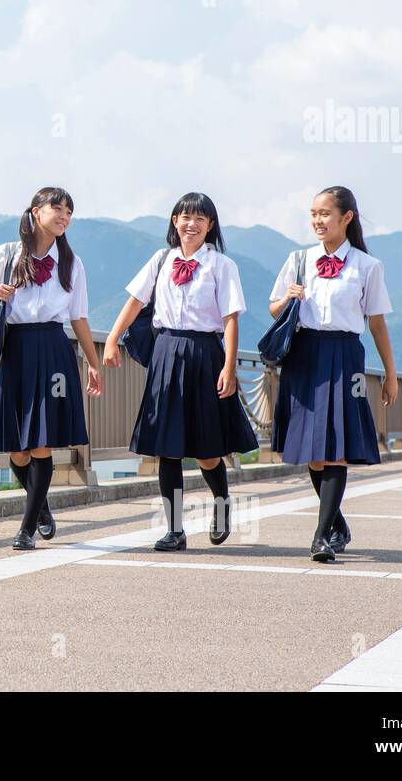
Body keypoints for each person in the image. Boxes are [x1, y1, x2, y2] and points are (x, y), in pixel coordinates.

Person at [104, 192, 257, 551]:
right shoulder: (160, 260)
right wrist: (111, 339)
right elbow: (135, 301)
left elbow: (230, 318)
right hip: (166, 352)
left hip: (205, 354)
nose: (192, 224)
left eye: (200, 219)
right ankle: (174, 529)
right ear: (174, 221)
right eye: (185, 217)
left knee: (207, 449)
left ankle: (221, 506)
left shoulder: (222, 265)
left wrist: (229, 367)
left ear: (211, 226)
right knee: (167, 447)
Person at [269, 185, 398, 561]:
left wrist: (391, 373)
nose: (317, 221)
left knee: (336, 448)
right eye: (313, 214)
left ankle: (321, 535)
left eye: (324, 213)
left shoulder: (367, 266)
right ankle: (337, 523)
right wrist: (289, 298)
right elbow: (274, 309)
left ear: (346, 218)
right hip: (304, 355)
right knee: (314, 452)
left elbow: (377, 324)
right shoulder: (297, 259)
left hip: (345, 356)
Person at [0, 186, 103, 550]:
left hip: (54, 351)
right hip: (17, 347)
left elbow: (78, 318)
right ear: (36, 212)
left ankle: (26, 529)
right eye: (57, 209)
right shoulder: (7, 253)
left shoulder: (73, 263)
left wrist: (93, 364)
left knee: (42, 442)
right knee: (17, 448)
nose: (64, 216)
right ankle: (41, 505)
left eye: (69, 212)